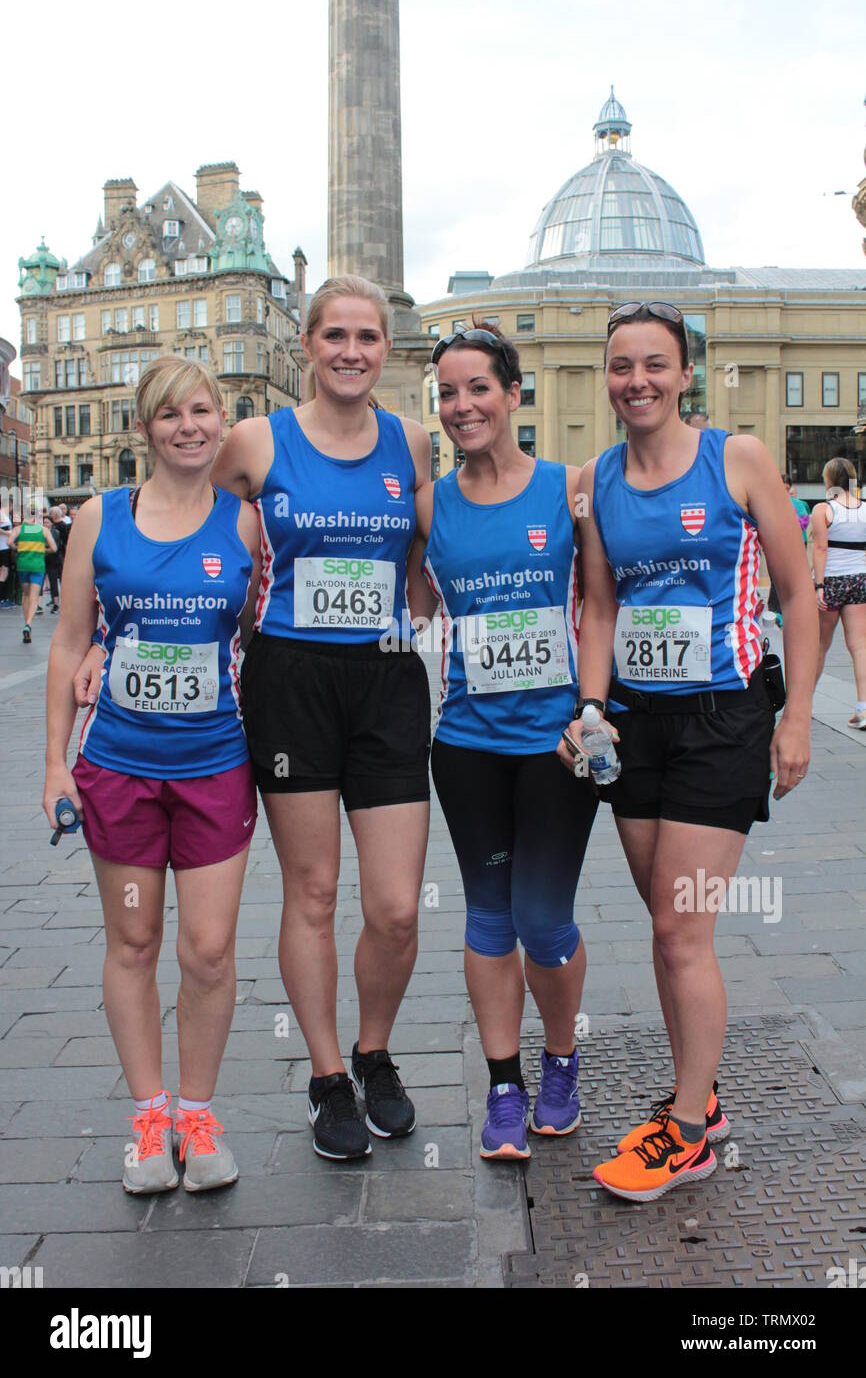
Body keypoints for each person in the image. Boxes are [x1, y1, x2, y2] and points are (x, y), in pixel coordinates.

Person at [558, 300, 816, 1202]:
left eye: (655, 364)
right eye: (622, 365)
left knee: (680, 928)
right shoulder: (597, 479)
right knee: (669, 931)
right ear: (608, 374)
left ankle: (693, 1130)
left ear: (684, 373)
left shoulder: (734, 459)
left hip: (723, 718)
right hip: (636, 725)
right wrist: (591, 707)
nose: (638, 381)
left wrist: (798, 717)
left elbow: (798, 591)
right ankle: (695, 1092)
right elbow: (597, 606)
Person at [209, 274, 432, 1161]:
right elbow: (194, 529)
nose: (350, 352)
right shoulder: (253, 442)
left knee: (397, 905)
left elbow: (429, 546)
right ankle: (328, 1075)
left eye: (367, 338)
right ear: (306, 344)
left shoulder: (411, 441)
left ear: (385, 347)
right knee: (313, 890)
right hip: (290, 676)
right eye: (334, 335)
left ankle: (377, 1052)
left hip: (384, 678)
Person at [44, 355, 261, 1194]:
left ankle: (198, 1117)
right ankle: (147, 1120)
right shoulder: (101, 517)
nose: (188, 427)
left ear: (220, 420)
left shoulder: (245, 524)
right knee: (134, 941)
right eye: (170, 415)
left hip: (214, 767)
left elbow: (251, 631)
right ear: (146, 429)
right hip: (120, 769)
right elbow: (70, 639)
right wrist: (55, 766)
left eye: (202, 411)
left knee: (207, 951)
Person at [407, 322, 598, 1160]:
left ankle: (561, 1062)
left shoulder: (568, 488)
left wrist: (591, 707)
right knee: (488, 914)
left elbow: (604, 603)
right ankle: (505, 1083)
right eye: (447, 393)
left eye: (478, 387)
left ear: (514, 394)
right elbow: (405, 602)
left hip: (558, 746)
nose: (461, 406)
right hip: (467, 745)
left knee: (542, 918)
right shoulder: (429, 504)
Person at [811, 456, 866, 728]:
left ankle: (804, 704)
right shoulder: (865, 508)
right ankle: (863, 708)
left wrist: (818, 585)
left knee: (820, 646)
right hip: (860, 580)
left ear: (829, 479)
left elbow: (820, 548)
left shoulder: (823, 509)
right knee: (859, 646)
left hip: (831, 582)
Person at [766, 473, 810, 626]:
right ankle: (776, 614)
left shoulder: (798, 504)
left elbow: (804, 523)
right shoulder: (769, 503)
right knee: (776, 580)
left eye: (785, 488)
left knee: (795, 580)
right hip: (775, 545)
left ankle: (793, 613)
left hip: (797, 545)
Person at [8, 502, 56, 642]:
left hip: (22, 565)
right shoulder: (43, 530)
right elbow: (53, 548)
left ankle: (26, 622)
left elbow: (9, 542)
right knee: (34, 596)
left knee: (26, 595)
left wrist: (17, 548)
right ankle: (28, 624)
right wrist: (42, 550)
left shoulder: (19, 529)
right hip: (37, 566)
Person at [0, 510, 13, 608]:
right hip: (3, 549)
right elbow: (9, 532)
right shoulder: (3, 514)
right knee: (4, 574)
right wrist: (6, 532)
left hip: (4, 548)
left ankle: (4, 598)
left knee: (3, 574)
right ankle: (2, 599)